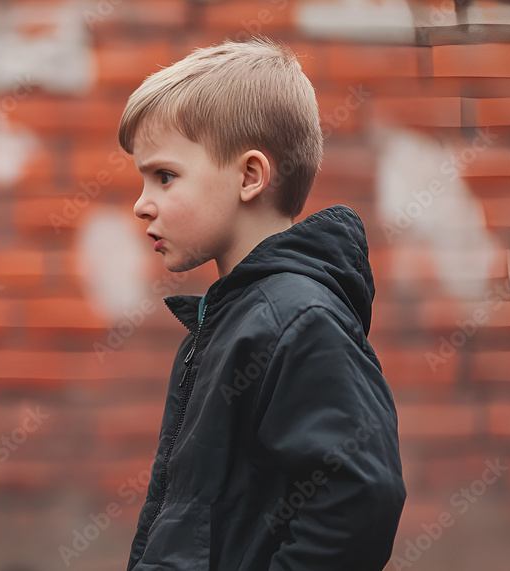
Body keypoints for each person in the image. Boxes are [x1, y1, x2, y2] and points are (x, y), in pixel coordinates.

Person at [118, 37, 406, 570]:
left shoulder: (296, 320)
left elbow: (362, 497)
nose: (142, 204)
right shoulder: (228, 320)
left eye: (164, 176)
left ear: (250, 176)